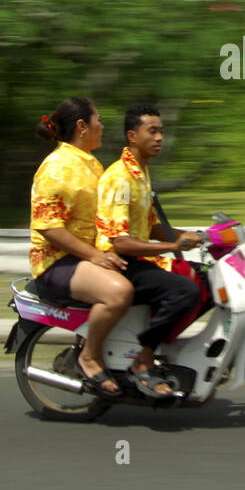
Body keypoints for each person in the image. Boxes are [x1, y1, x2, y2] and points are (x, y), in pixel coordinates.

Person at [95, 104, 206, 398]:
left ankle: (157, 345)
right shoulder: (120, 178)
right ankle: (141, 362)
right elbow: (120, 242)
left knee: (206, 280)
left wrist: (201, 236)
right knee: (186, 291)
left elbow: (152, 227)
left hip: (141, 259)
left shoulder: (141, 172)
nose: (160, 138)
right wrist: (172, 246)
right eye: (152, 131)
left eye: (161, 132)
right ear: (132, 136)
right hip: (122, 264)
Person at [29, 96, 134, 398]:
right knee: (119, 292)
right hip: (57, 261)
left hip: (84, 257)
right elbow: (49, 228)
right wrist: (95, 256)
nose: (102, 125)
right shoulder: (57, 167)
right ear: (81, 126)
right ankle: (88, 357)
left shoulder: (90, 163)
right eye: (98, 120)